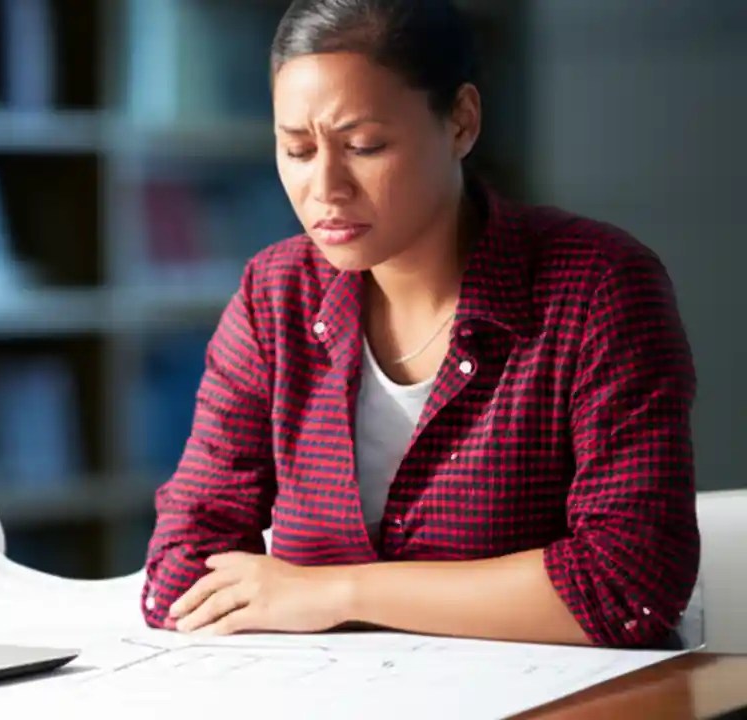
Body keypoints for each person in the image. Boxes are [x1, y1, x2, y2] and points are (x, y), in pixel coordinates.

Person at [140, 0, 699, 649]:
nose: (326, 187)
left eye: (364, 146)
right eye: (296, 149)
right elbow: (180, 572)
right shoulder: (276, 295)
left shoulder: (597, 288)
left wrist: (333, 591)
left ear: (461, 122)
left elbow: (630, 588)